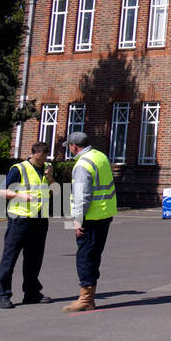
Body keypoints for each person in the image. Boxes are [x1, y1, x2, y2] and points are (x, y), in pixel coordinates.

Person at [0, 141, 55, 308]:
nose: (43, 161)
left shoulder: (47, 167)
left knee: (34, 259)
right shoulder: (18, 169)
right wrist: (21, 197)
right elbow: (1, 191)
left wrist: (49, 176)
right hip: (19, 219)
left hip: (40, 220)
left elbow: (54, 188)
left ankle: (32, 292)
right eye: (40, 158)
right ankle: (2, 295)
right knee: (10, 258)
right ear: (33, 153)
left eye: (45, 158)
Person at [62, 131, 117, 313]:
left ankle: (86, 298)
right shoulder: (100, 156)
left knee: (85, 256)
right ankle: (89, 296)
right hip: (104, 214)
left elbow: (82, 195)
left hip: (91, 217)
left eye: (68, 146)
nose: (68, 149)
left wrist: (77, 221)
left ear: (73, 146)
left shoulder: (83, 164)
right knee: (94, 255)